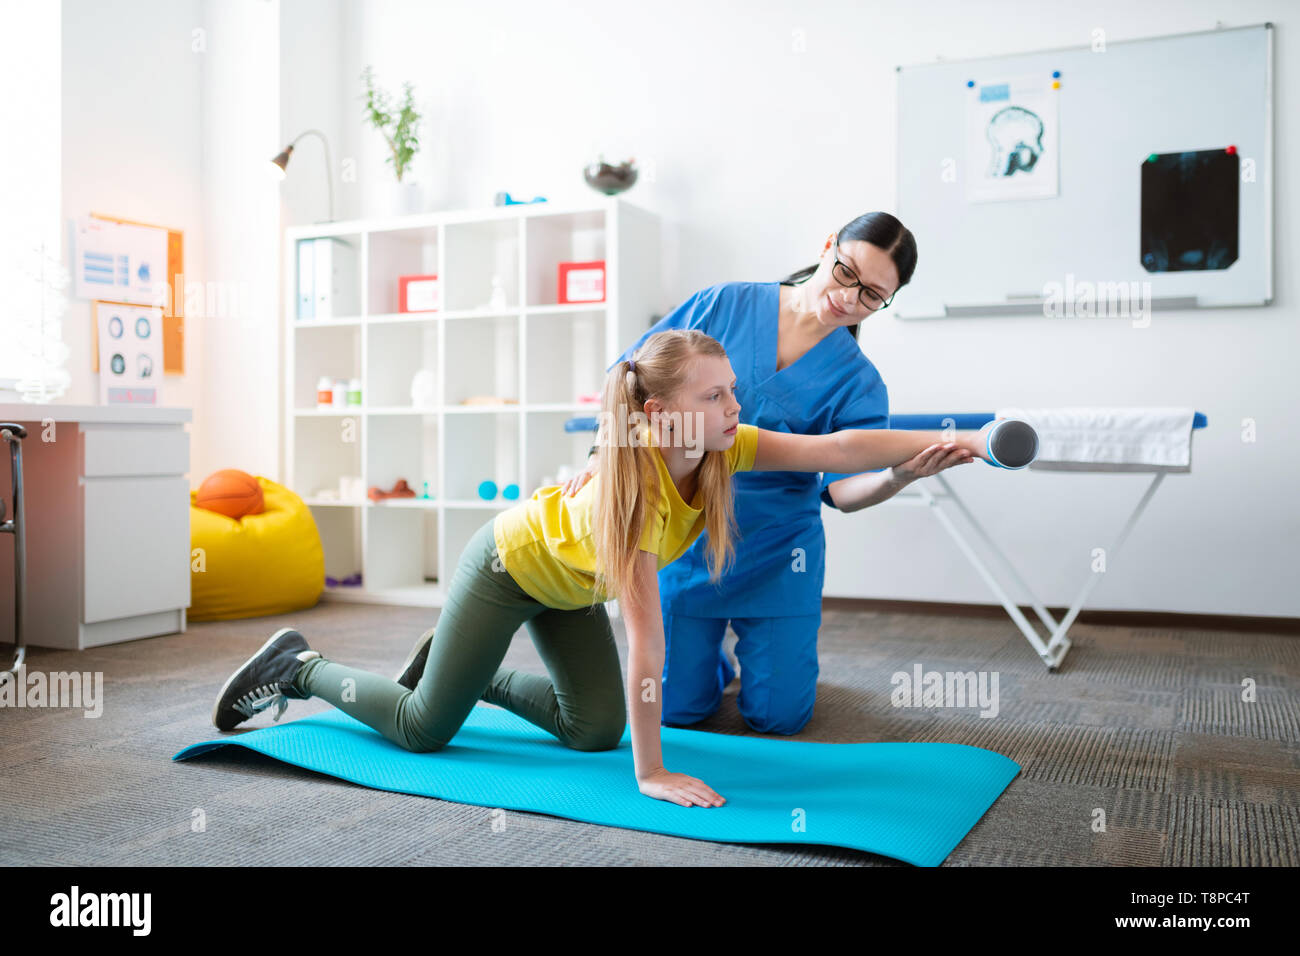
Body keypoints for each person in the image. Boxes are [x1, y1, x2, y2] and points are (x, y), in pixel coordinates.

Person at [211, 328, 1006, 809]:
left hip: (568, 590)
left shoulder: (725, 447)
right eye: (718, 395)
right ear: (660, 415)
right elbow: (649, 652)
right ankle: (302, 666)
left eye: (733, 392)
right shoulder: (632, 508)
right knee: (424, 732)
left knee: (593, 731)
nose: (736, 407)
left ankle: (466, 671)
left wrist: (955, 444)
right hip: (508, 569)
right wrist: (653, 772)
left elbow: (838, 450)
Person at [561, 212, 963, 736]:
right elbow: (630, 373)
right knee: (679, 710)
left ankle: (751, 652)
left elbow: (841, 490)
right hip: (687, 537)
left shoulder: (858, 380)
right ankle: (710, 659)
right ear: (827, 247)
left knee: (779, 718)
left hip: (777, 551)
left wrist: (897, 477)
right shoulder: (725, 303)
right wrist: (600, 455)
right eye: (846, 273)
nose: (849, 297)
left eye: (870, 295)